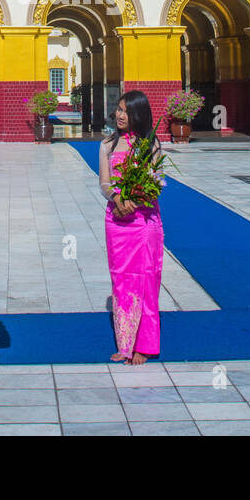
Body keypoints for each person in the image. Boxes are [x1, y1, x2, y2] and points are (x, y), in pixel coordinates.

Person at [98, 90, 165, 365]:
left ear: (138, 114)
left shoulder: (151, 144)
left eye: (125, 110)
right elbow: (104, 182)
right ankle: (125, 342)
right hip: (116, 222)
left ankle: (145, 345)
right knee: (122, 279)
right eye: (118, 109)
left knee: (147, 278)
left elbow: (157, 183)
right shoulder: (107, 146)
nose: (120, 115)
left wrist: (135, 200)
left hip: (144, 222)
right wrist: (116, 198)